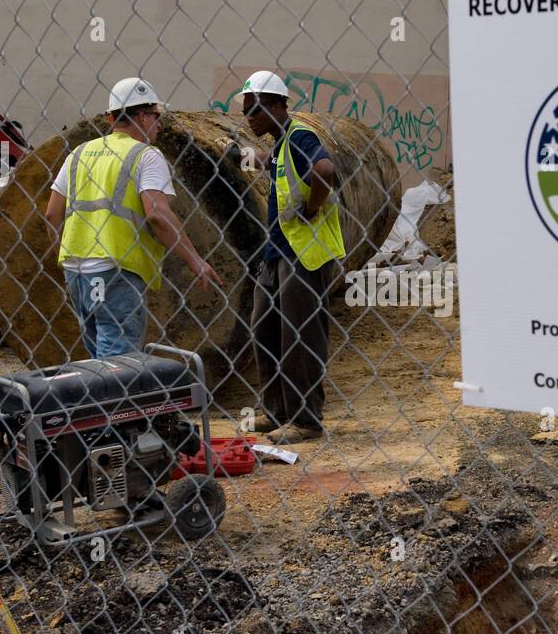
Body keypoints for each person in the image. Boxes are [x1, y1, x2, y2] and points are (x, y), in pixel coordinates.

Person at [45, 77, 222, 359]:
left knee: (99, 354)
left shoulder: (78, 154)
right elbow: (158, 215)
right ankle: (113, 403)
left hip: (77, 271)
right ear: (141, 116)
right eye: (156, 116)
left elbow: (52, 214)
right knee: (118, 359)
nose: (159, 124)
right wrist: (196, 261)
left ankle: (101, 400)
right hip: (116, 269)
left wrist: (65, 255)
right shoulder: (146, 155)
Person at [240, 71, 345, 444]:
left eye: (254, 109)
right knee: (264, 330)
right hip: (276, 253)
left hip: (303, 254)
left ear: (277, 105)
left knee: (299, 336)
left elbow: (325, 169)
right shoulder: (283, 143)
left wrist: (312, 209)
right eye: (245, 109)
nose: (248, 117)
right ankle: (277, 411)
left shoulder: (300, 135)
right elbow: (275, 165)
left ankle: (306, 420)